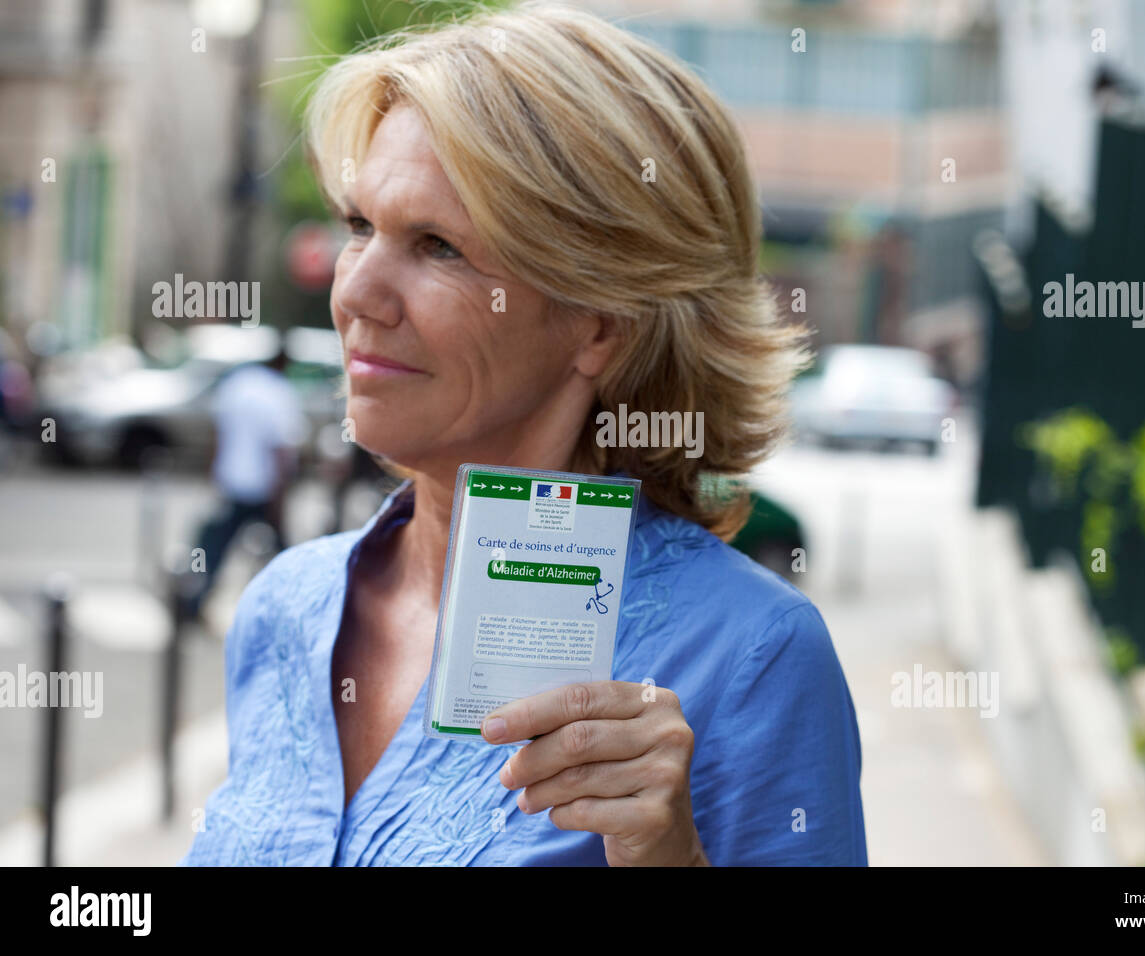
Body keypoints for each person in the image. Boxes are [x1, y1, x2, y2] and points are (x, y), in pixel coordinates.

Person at [181, 2, 867, 866]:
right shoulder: (285, 605)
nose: (356, 294)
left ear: (602, 324)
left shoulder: (752, 657)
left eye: (438, 246)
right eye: (361, 225)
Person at [185, 345, 306, 619]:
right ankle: (295, 608)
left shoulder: (237, 384)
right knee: (281, 553)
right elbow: (281, 450)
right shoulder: (279, 392)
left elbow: (217, 433)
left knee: (210, 549)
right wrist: (280, 500)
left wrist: (213, 471)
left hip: (231, 482)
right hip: (263, 488)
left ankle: (193, 600)